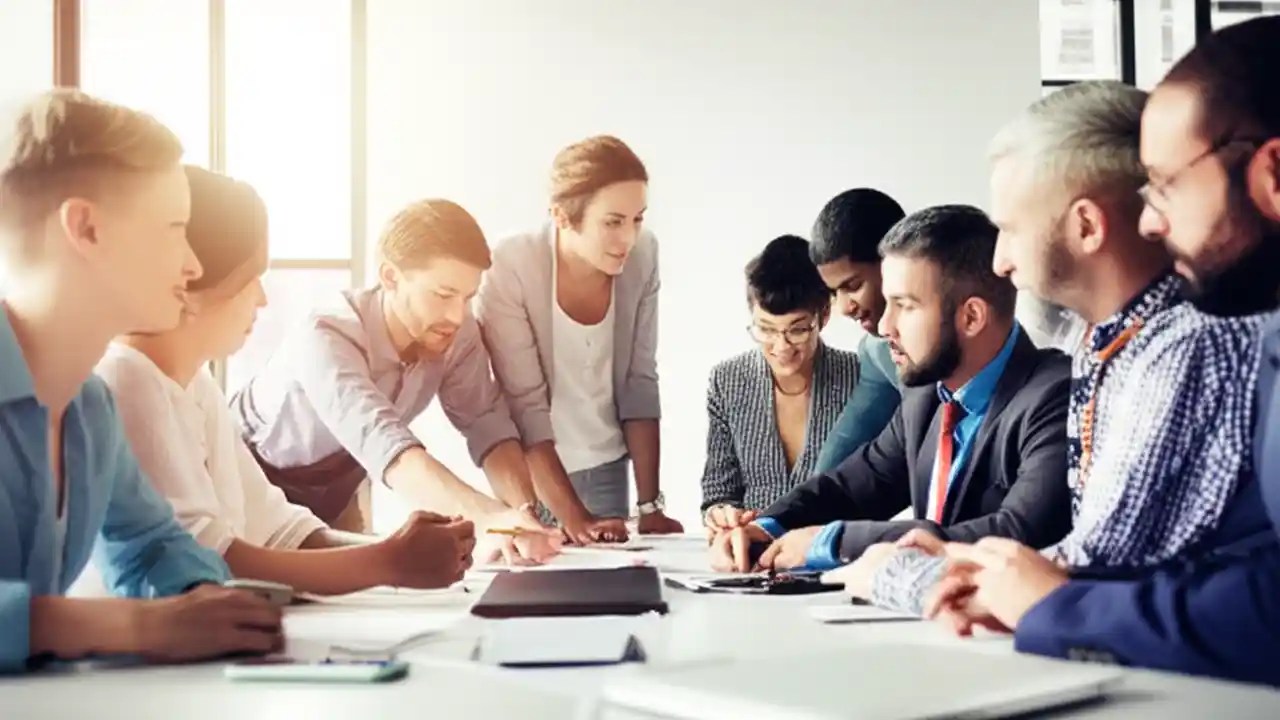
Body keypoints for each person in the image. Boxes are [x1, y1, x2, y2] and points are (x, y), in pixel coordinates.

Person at [927, 16, 1280, 686]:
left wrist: (1044, 600)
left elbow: (1114, 567)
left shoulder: (1203, 338)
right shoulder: (1222, 338)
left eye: (1166, 185)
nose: (1150, 219)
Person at [837, 80, 1267, 614]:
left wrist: (902, 574)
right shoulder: (1103, 345)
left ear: (1086, 226)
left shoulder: (1187, 347)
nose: (999, 262)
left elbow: (1098, 578)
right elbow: (1075, 570)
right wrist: (954, 560)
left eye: (1011, 228)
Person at [0, 90, 282, 672]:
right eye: (174, 228)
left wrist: (210, 603)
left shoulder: (90, 407)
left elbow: (152, 546)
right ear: (87, 228)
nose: (194, 265)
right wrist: (130, 624)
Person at [95, 166, 476, 595]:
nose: (262, 298)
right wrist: (390, 561)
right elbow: (207, 563)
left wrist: (398, 555)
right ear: (190, 283)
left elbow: (282, 531)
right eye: (247, 280)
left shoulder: (197, 386)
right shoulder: (128, 381)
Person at [708, 205, 1072, 574]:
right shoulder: (926, 397)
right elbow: (849, 489)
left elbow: (1018, 532)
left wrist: (831, 542)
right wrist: (763, 528)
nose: (884, 326)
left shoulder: (1055, 396)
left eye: (904, 306)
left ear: (971, 316)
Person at [229, 199, 560, 564]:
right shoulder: (325, 334)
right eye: (443, 294)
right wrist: (491, 519)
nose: (456, 315)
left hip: (343, 478)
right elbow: (387, 446)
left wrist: (526, 514)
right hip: (248, 477)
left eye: (467, 298)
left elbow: (487, 424)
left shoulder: (457, 330)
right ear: (390, 277)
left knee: (353, 603)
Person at [477, 135, 683, 538]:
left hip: (607, 465)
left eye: (637, 218)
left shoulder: (642, 256)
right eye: (612, 222)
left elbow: (640, 381)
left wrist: (650, 507)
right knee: (532, 591)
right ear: (561, 215)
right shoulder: (512, 264)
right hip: (529, 476)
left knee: (610, 591)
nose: (628, 238)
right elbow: (524, 405)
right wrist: (574, 518)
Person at [699, 235, 859, 518]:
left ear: (823, 315)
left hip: (832, 548)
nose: (781, 346)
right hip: (752, 550)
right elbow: (719, 493)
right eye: (766, 329)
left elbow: (873, 489)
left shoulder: (858, 378)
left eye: (797, 330)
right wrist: (721, 515)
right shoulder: (727, 381)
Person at [807, 188, 905, 475]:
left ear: (895, 262)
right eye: (834, 292)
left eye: (852, 286)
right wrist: (775, 520)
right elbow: (840, 455)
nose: (845, 307)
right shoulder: (877, 352)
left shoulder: (969, 339)